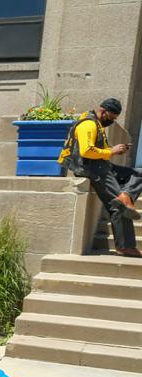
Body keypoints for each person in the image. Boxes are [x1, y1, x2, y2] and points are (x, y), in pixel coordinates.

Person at [58, 97, 142, 258]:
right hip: (90, 168)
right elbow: (86, 151)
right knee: (119, 206)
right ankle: (125, 246)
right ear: (103, 111)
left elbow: (97, 149)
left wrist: (114, 150)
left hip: (101, 165)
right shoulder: (88, 124)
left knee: (137, 175)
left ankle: (126, 196)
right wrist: (111, 151)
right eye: (111, 117)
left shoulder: (97, 124)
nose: (112, 121)